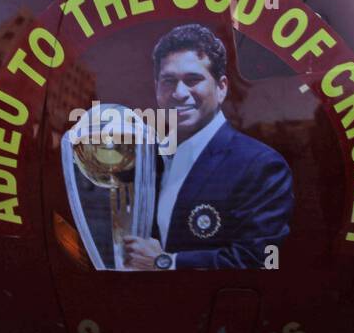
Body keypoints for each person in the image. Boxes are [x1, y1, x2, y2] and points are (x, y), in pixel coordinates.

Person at [121, 24, 293, 271]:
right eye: (168, 81)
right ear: (157, 88)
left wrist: (166, 263)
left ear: (221, 87)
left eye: (193, 80)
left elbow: (261, 259)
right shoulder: (147, 158)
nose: (179, 93)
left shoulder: (260, 165)